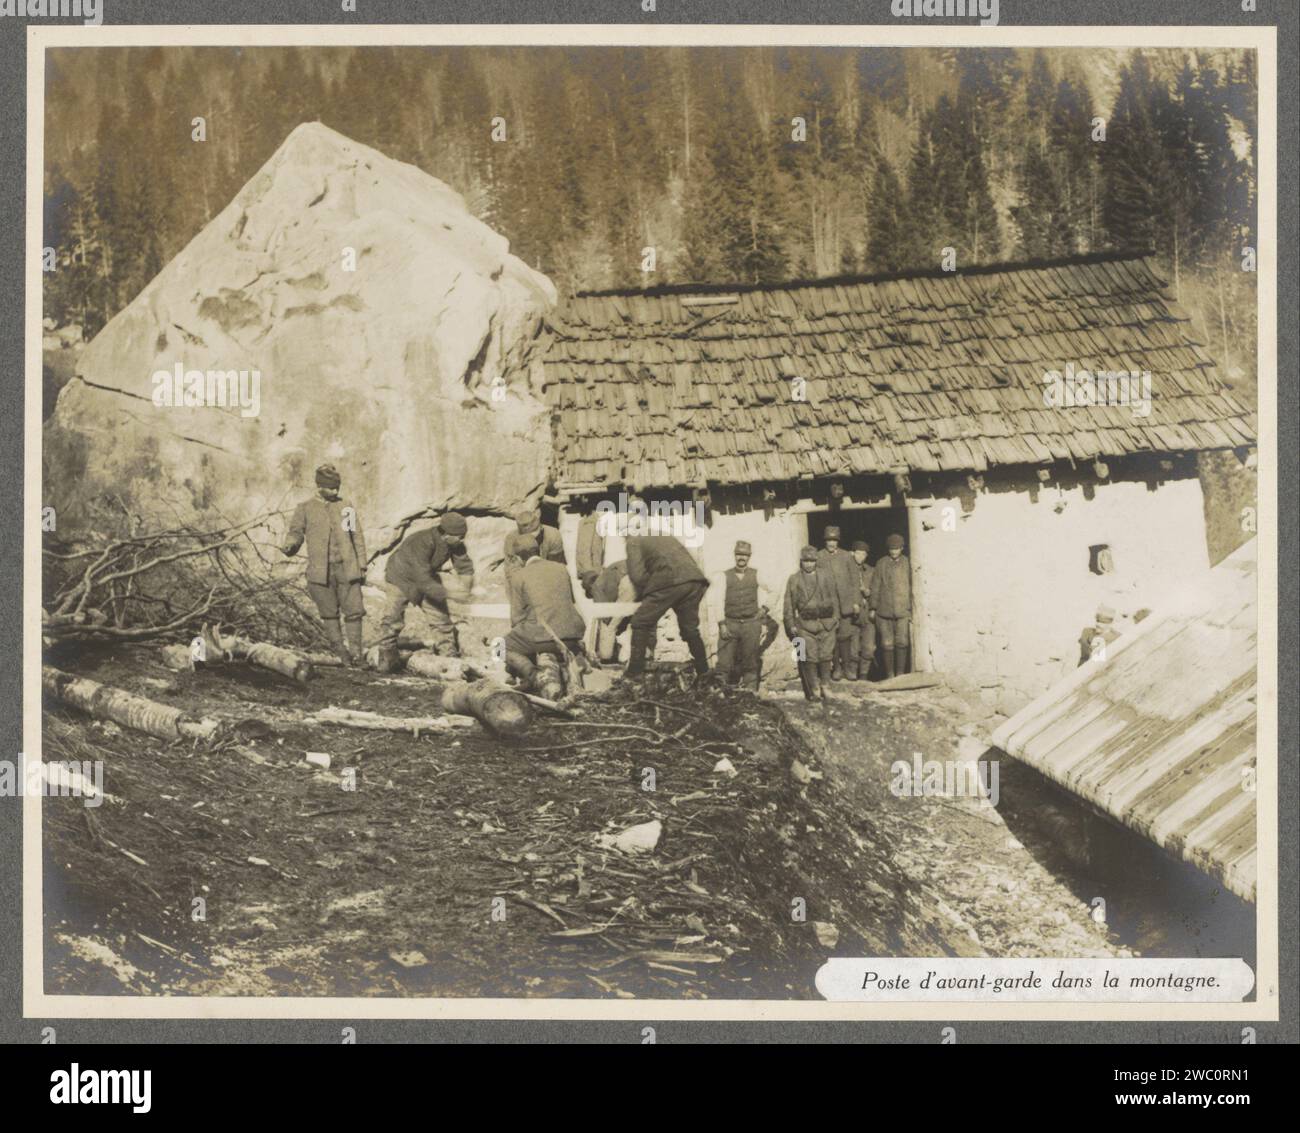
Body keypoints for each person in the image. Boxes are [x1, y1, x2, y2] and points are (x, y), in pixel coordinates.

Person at [282, 463, 368, 666]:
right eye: (331, 487)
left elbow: (356, 536)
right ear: (319, 486)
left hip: (347, 569)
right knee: (329, 613)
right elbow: (296, 532)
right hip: (321, 572)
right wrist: (290, 544)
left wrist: (362, 565)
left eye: (337, 487)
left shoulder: (345, 507)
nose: (335, 491)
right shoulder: (305, 509)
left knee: (354, 611)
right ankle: (342, 655)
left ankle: (356, 654)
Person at [376, 512, 473, 657]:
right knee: (393, 618)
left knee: (441, 619)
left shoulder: (455, 543)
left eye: (463, 536)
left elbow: (464, 567)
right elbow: (422, 579)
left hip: (426, 576)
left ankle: (449, 656)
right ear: (446, 534)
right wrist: (452, 595)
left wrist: (466, 589)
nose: (462, 539)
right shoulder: (421, 541)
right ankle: (386, 656)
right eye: (459, 536)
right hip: (400, 577)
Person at [504, 535, 587, 694]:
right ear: (539, 550)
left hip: (544, 637)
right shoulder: (561, 568)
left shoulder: (519, 576)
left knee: (499, 646)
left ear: (518, 558)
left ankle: (534, 676)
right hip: (573, 634)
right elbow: (570, 602)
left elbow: (516, 618)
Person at [624, 530, 710, 678]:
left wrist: (649, 594)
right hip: (694, 580)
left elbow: (637, 576)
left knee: (640, 622)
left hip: (670, 579)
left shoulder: (633, 541)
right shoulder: (661, 534)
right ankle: (705, 673)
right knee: (690, 629)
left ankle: (634, 674)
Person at [783, 545, 839, 702]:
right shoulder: (794, 579)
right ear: (801, 562)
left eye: (811, 561)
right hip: (806, 625)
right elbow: (788, 604)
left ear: (816, 561)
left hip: (827, 623)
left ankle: (826, 686)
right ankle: (814, 688)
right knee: (810, 657)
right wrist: (791, 624)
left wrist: (836, 619)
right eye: (805, 561)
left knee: (826, 655)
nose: (808, 564)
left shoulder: (826, 576)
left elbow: (834, 597)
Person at [714, 540, 772, 691]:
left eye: (745, 555)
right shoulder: (724, 576)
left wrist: (765, 609)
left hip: (751, 624)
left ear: (749, 556)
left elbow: (775, 589)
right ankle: (721, 694)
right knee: (724, 662)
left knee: (750, 661)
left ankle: (750, 694)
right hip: (730, 624)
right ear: (734, 555)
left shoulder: (757, 574)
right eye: (739, 554)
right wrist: (722, 624)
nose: (742, 558)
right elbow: (718, 600)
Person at [816, 525, 860, 680]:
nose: (831, 543)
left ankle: (848, 668)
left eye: (834, 540)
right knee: (831, 637)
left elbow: (855, 580)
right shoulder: (819, 556)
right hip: (829, 604)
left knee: (845, 636)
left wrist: (856, 602)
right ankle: (837, 669)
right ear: (825, 541)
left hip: (846, 603)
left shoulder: (847, 556)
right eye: (829, 540)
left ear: (838, 541)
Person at [871, 533, 912, 678]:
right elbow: (875, 585)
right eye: (891, 549)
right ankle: (890, 674)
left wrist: (911, 608)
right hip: (884, 610)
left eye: (897, 548)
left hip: (902, 610)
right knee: (887, 643)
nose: (894, 551)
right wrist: (873, 607)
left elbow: (913, 586)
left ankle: (900, 674)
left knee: (902, 642)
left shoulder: (908, 563)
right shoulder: (881, 563)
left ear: (902, 548)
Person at [504, 508, 565, 585]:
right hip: (525, 578)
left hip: (548, 576)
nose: (533, 541)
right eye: (529, 538)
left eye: (536, 537)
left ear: (541, 528)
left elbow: (557, 568)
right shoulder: (511, 539)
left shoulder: (552, 535)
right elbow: (512, 572)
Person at [850, 540, 876, 680]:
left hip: (867, 613)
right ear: (852, 553)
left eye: (863, 554)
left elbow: (877, 589)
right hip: (853, 614)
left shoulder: (871, 571)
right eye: (858, 553)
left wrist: (868, 592)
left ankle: (864, 675)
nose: (860, 556)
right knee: (853, 648)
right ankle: (852, 674)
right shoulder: (847, 570)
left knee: (869, 647)